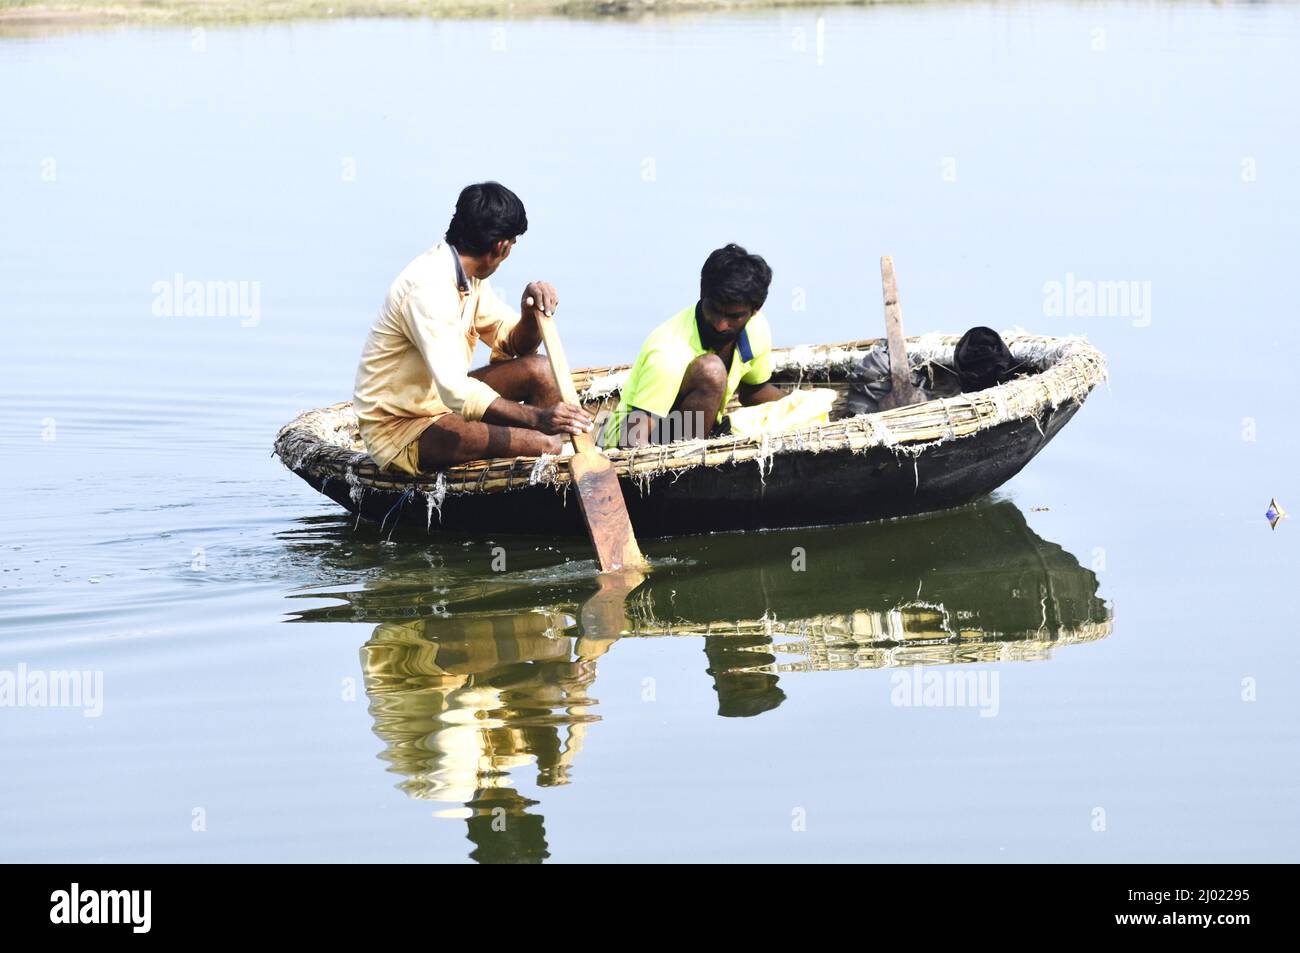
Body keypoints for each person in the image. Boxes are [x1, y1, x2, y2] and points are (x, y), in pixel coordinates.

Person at [353, 182, 592, 474]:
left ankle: (535, 451)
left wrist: (529, 313)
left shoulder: (468, 276)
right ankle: (541, 449)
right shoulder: (427, 289)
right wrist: (535, 417)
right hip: (401, 429)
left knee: (541, 371)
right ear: (501, 247)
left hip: (441, 405)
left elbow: (513, 344)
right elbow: (455, 390)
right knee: (547, 444)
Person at [603, 244, 785, 448]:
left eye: (734, 316)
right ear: (702, 292)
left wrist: (800, 406)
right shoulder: (667, 352)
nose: (720, 324)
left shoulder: (757, 329)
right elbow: (631, 440)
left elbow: (754, 392)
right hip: (624, 441)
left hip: (696, 429)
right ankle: (690, 469)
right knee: (711, 372)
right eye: (714, 309)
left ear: (754, 310)